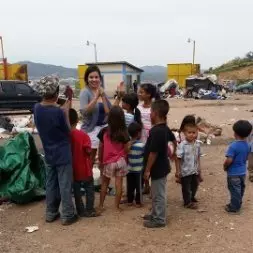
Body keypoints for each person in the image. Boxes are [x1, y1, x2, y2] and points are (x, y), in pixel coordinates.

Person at [33, 76, 77, 226]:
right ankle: (68, 214)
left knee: (50, 182)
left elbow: (47, 109)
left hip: (48, 152)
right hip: (62, 153)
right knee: (64, 184)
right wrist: (65, 112)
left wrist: (60, 107)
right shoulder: (57, 112)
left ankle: (51, 213)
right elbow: (67, 130)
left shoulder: (37, 108)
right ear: (56, 92)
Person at [143, 100, 176, 228]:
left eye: (151, 112)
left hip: (158, 168)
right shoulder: (164, 128)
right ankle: (154, 213)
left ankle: (159, 219)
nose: (149, 114)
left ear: (155, 113)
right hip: (161, 167)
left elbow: (153, 153)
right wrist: (174, 152)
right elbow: (174, 139)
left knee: (158, 194)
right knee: (156, 193)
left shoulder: (157, 131)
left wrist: (147, 170)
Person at [97, 106, 130, 211]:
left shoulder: (104, 131)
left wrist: (100, 160)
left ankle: (101, 205)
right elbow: (127, 148)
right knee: (119, 183)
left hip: (108, 162)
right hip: (121, 161)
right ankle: (116, 206)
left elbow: (101, 147)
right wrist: (125, 156)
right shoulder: (124, 132)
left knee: (105, 183)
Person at [69, 108, 99, 217]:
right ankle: (90, 209)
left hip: (73, 169)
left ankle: (80, 211)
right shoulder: (83, 135)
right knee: (89, 189)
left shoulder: (66, 136)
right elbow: (88, 150)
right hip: (85, 168)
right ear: (77, 120)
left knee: (76, 191)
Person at [79, 65, 111, 164]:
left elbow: (109, 111)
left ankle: (101, 177)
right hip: (91, 130)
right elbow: (84, 112)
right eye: (91, 77)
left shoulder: (101, 91)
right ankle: (89, 178)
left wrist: (118, 97)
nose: (94, 79)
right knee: (90, 158)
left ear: (100, 79)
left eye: (96, 77)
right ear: (87, 79)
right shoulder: (85, 92)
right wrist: (96, 97)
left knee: (103, 158)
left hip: (104, 129)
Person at [223, 120, 252, 213]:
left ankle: (234, 207)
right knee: (240, 188)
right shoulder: (247, 145)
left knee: (234, 189)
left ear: (235, 133)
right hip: (242, 172)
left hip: (233, 173)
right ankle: (237, 202)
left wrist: (225, 166)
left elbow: (229, 160)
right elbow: (247, 157)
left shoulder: (233, 146)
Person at [138, 83, 160, 195]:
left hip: (152, 137)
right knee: (143, 162)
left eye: (142, 92)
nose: (139, 93)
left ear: (149, 94)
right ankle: (146, 186)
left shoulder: (155, 107)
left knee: (151, 162)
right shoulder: (139, 107)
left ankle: (153, 188)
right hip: (141, 137)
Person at [176, 123, 203, 209]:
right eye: (189, 132)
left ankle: (191, 197)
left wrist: (199, 168)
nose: (192, 134)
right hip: (185, 171)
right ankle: (187, 202)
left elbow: (198, 156)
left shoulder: (197, 144)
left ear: (197, 133)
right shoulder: (182, 145)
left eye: (194, 132)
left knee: (195, 184)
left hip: (194, 170)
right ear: (184, 133)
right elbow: (178, 158)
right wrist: (178, 171)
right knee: (186, 187)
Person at [127, 122, 145, 207]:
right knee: (139, 186)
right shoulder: (141, 145)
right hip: (139, 170)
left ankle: (130, 200)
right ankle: (138, 202)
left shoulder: (127, 144)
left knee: (130, 186)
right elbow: (145, 156)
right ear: (138, 133)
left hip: (130, 169)